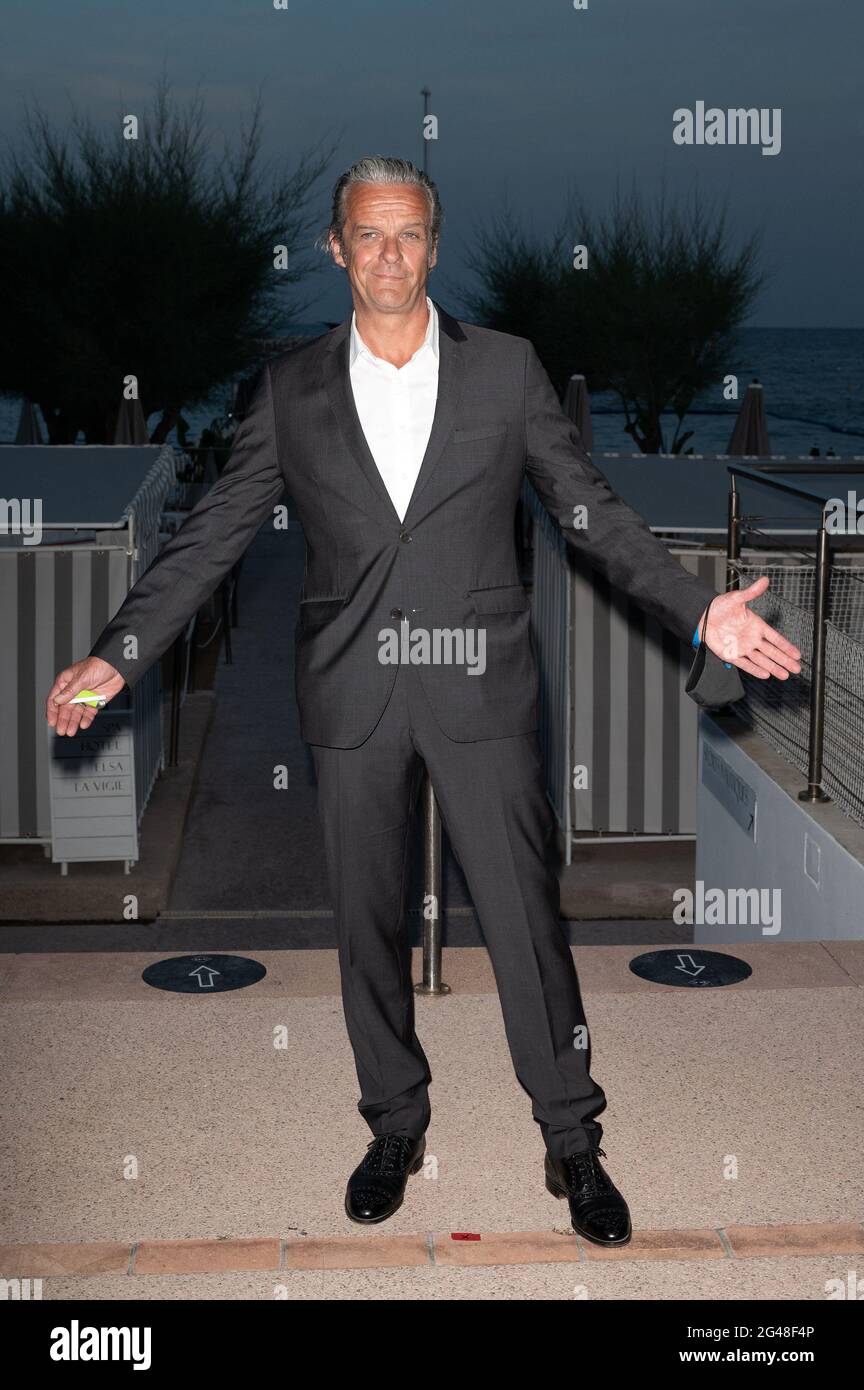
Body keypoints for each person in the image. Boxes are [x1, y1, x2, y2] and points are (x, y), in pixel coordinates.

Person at [46, 156, 801, 1246]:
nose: (389, 254)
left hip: (484, 692)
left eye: (409, 235)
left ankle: (573, 1138)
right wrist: (117, 655)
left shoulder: (505, 370)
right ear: (336, 247)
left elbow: (588, 512)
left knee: (529, 923)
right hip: (351, 694)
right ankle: (394, 1121)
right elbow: (211, 534)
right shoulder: (289, 388)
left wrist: (696, 610)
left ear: (434, 246)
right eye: (368, 234)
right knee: (364, 924)